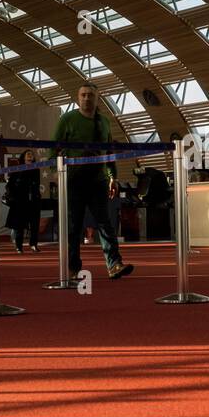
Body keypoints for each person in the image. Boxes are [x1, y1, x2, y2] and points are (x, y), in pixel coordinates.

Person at [51, 83, 133, 279]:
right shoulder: (67, 119)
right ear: (78, 98)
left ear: (97, 98)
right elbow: (53, 146)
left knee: (105, 223)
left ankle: (114, 264)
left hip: (98, 180)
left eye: (90, 95)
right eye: (83, 95)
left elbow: (109, 151)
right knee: (74, 226)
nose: (87, 98)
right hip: (74, 180)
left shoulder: (104, 121)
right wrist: (55, 171)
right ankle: (73, 268)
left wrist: (113, 177)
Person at [3, 149, 42, 253]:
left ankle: (33, 245)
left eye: (32, 155)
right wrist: (13, 196)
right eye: (28, 154)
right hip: (20, 201)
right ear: (23, 157)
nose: (30, 156)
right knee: (19, 225)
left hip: (33, 200)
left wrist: (36, 195)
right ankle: (19, 246)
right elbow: (9, 185)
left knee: (34, 224)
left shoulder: (36, 169)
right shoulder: (17, 169)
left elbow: (36, 184)